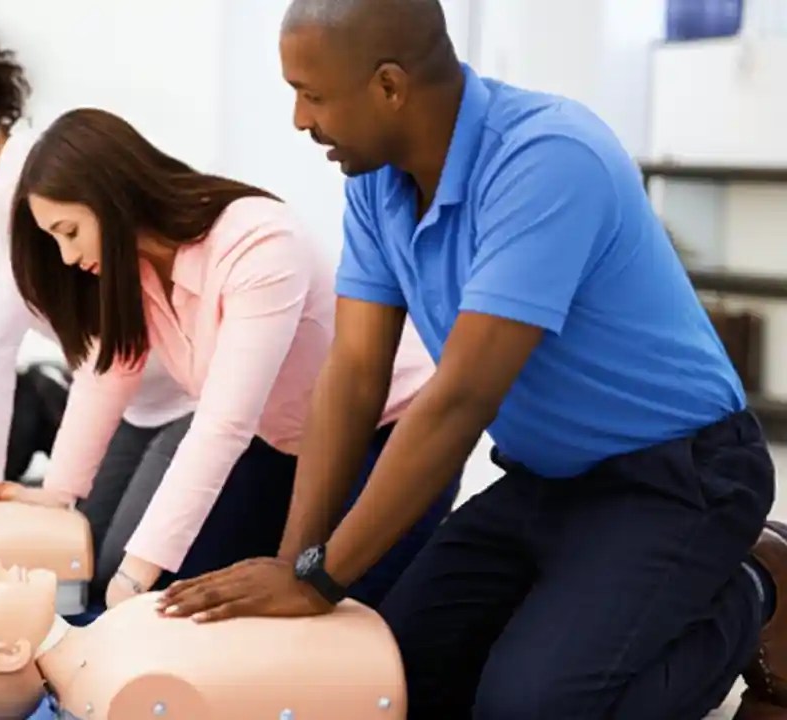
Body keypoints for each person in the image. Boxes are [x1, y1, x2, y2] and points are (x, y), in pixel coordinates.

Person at [159, 1, 787, 719]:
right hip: (544, 480)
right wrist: (298, 564)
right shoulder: (375, 181)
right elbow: (355, 374)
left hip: (678, 477)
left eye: (313, 94)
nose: (301, 119)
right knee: (389, 681)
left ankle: (753, 591)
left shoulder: (549, 158)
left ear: (389, 86)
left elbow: (461, 399)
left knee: (531, 709)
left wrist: (323, 579)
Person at [0, 106, 449, 611]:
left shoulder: (258, 243)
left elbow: (224, 423)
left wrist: (135, 576)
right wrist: (57, 494)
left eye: (68, 232)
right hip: (284, 443)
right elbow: (106, 372)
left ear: (111, 199)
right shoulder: (131, 268)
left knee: (340, 606)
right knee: (179, 592)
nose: (67, 257)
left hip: (388, 431)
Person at [0, 34, 197, 598]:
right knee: (80, 549)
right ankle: (48, 401)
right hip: (132, 399)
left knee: (104, 562)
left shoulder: (21, 186)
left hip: (184, 396)